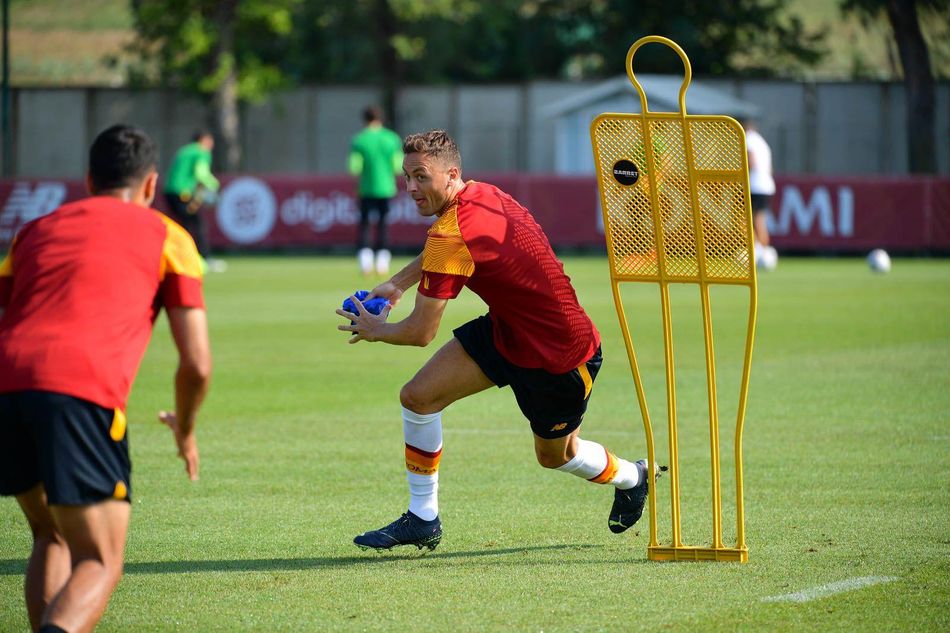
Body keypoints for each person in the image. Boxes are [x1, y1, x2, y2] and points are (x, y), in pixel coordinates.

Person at [337, 130, 651, 552]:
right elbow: (445, 248)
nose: (410, 188)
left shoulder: (449, 234)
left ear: (451, 175)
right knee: (418, 397)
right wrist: (397, 283)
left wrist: (375, 331)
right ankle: (423, 517)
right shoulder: (483, 193)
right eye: (407, 176)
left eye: (420, 177)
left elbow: (420, 332)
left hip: (560, 354)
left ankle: (633, 476)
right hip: (508, 330)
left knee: (556, 456)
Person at [0, 124, 212, 632]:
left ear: (90, 179)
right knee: (99, 559)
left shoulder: (33, 231)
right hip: (78, 392)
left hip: (7, 389)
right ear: (151, 184)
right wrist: (184, 428)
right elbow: (198, 363)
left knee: (49, 535)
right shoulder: (169, 236)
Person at [348, 106, 403, 276]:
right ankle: (382, 263)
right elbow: (397, 166)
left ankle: (365, 263)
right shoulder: (391, 138)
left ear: (364, 119)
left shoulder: (359, 140)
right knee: (383, 224)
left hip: (366, 188)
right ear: (381, 118)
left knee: (364, 224)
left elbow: (354, 167)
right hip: (386, 188)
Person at [164, 129, 225, 272]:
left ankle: (184, 259)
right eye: (210, 141)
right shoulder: (200, 152)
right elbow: (201, 173)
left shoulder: (184, 151)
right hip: (183, 193)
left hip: (170, 192)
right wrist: (214, 185)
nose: (211, 145)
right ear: (203, 140)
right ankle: (203, 259)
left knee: (185, 226)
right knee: (197, 226)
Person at [743, 118, 776, 249]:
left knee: (750, 219)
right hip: (766, 184)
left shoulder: (749, 139)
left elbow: (752, 162)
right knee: (759, 219)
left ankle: (758, 248)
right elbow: (770, 168)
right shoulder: (762, 142)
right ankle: (762, 248)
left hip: (755, 185)